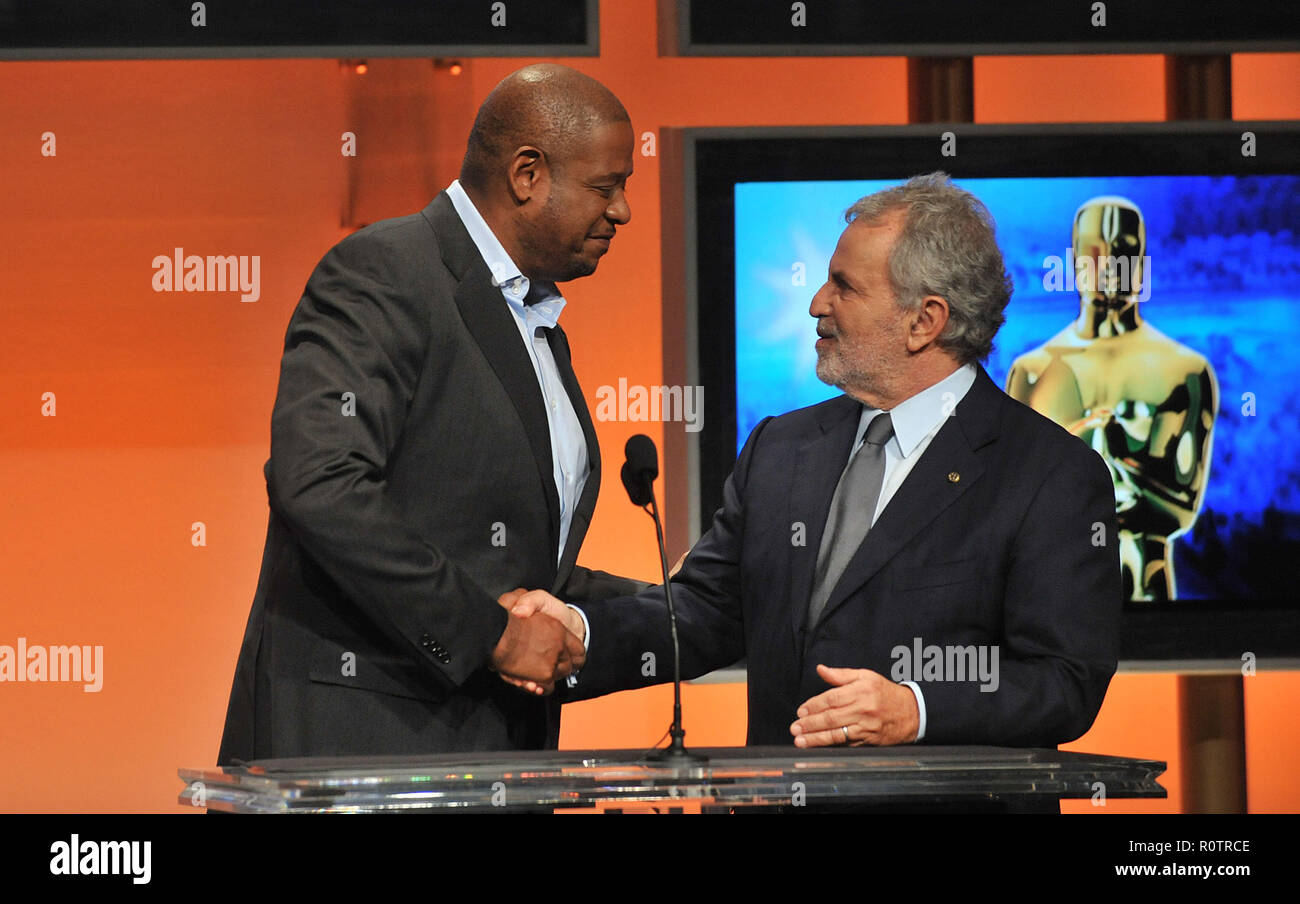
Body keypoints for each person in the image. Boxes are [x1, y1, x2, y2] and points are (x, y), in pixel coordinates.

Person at [505, 173, 1122, 753]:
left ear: (924, 321)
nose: (816, 304)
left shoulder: (1049, 474)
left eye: (844, 287)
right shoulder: (782, 447)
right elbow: (706, 613)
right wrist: (579, 634)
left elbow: (1065, 681)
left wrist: (918, 708)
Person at [217, 63, 643, 764]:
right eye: (607, 187)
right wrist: (492, 634)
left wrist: (691, 615)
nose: (622, 211)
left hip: (489, 758)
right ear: (527, 174)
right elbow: (320, 483)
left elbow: (513, 566)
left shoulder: (532, 321)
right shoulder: (385, 271)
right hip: (364, 754)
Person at [1006, 196, 1217, 601]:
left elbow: (1183, 507)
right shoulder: (1032, 372)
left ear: (1140, 261)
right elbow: (1015, 512)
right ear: (1074, 261)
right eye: (1094, 251)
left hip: (1145, 595)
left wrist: (1114, 464)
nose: (1108, 267)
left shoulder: (1183, 371)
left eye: (1122, 251)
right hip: (1053, 607)